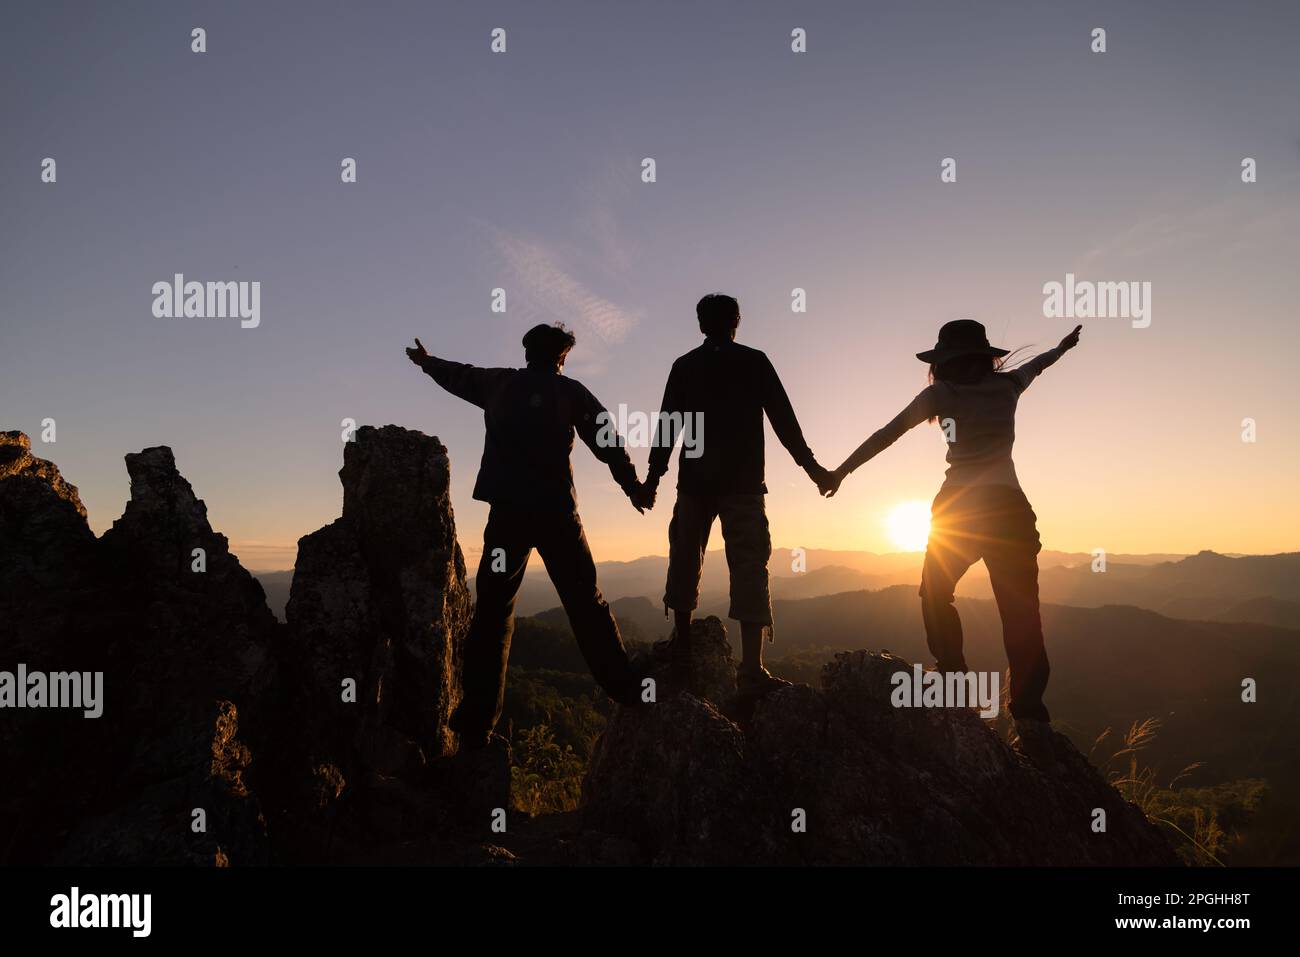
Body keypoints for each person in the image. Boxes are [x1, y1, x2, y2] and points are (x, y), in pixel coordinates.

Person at [821, 319, 1083, 755]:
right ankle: (1032, 720)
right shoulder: (1008, 385)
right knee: (1022, 615)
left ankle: (953, 675)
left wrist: (841, 472)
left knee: (935, 593)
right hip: (1009, 511)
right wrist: (1062, 347)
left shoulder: (941, 395)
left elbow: (887, 434)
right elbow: (1038, 365)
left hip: (959, 509)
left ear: (942, 363)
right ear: (985, 356)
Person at [406, 323, 647, 748]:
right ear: (561, 358)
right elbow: (606, 440)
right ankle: (625, 688)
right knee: (585, 602)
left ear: (526, 352)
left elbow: (458, 375)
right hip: (557, 514)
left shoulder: (498, 383)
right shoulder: (571, 392)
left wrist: (427, 363)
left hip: (507, 517)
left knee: (494, 611)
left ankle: (478, 719)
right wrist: (632, 486)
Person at [637, 294, 834, 698]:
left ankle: (684, 646)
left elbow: (667, 427)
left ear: (700, 324)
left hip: (694, 482)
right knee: (749, 565)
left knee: (685, 554)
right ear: (737, 321)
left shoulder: (685, 366)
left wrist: (654, 477)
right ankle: (751, 669)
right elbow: (784, 421)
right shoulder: (754, 361)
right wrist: (812, 468)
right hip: (743, 483)